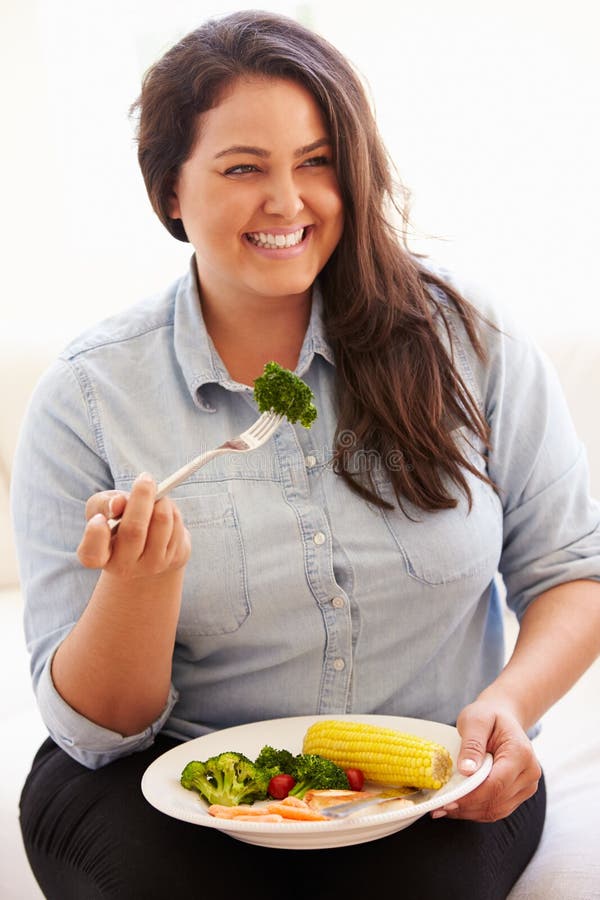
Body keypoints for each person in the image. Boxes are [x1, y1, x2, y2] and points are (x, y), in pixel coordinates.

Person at [11, 9, 600, 900]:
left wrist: (508, 710)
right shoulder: (89, 397)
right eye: (243, 168)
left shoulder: (469, 341)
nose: (287, 201)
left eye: (316, 161)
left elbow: (571, 570)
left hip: (429, 778)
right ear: (170, 190)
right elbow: (102, 734)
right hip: (154, 784)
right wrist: (137, 587)